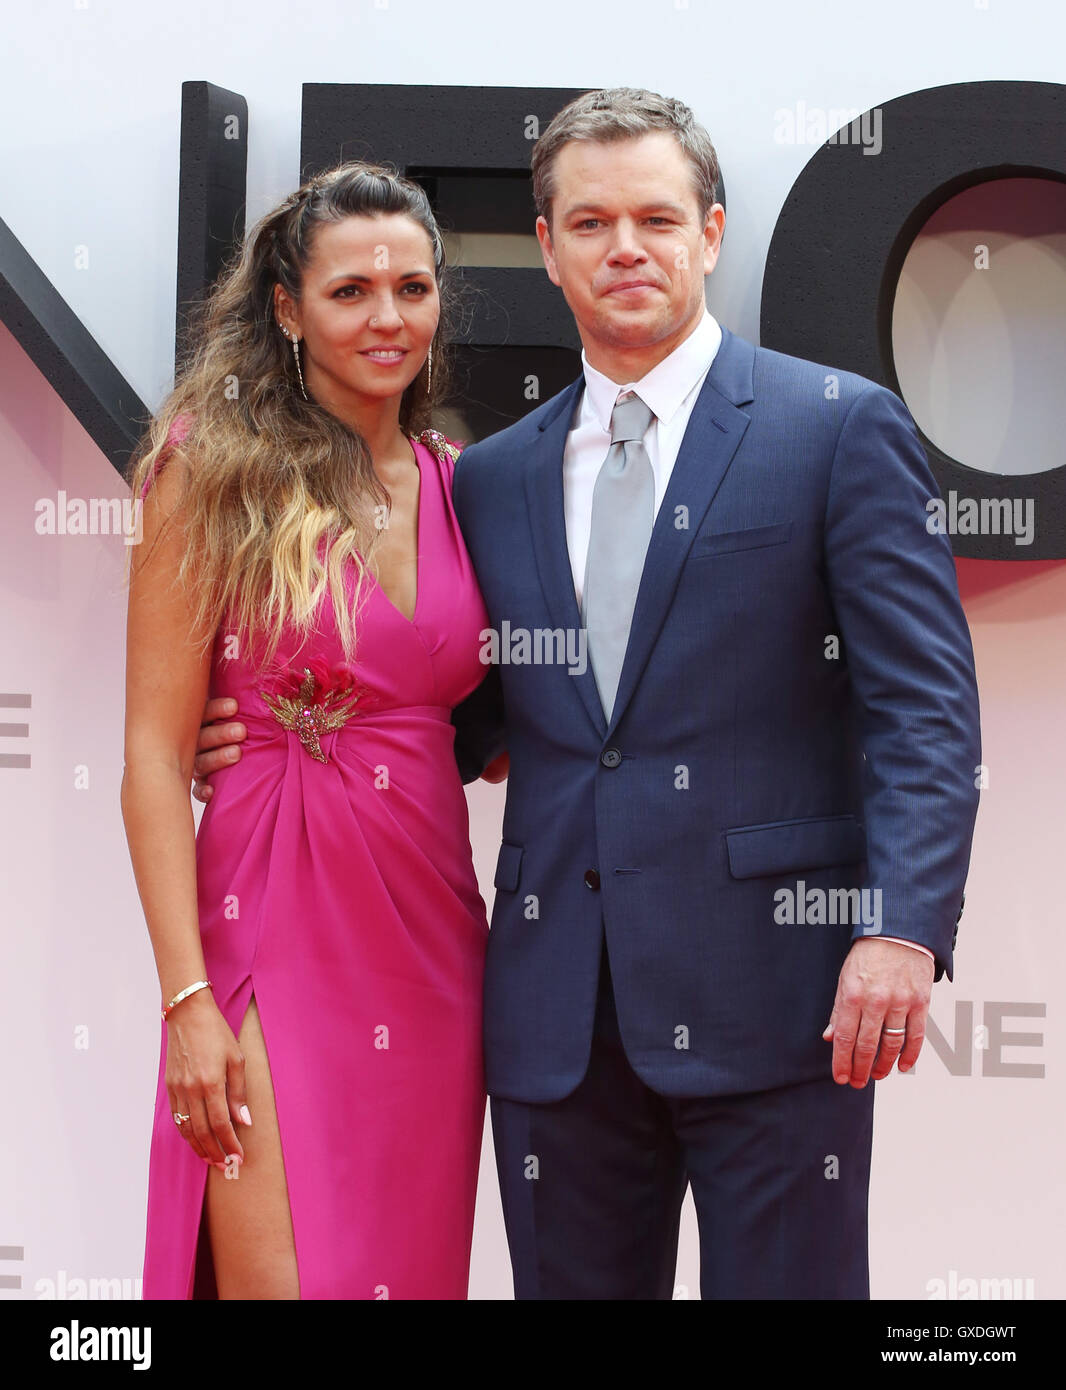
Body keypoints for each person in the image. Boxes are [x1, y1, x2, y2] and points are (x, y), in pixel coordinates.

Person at [194, 89, 981, 1300]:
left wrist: (901, 926)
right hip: (554, 1022)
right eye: (591, 221)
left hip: (777, 1005)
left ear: (710, 234)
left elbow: (923, 709)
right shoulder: (492, 476)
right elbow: (465, 706)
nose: (627, 247)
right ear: (548, 248)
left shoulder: (835, 430)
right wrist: (274, 733)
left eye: (658, 218)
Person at [122, 161, 503, 1300]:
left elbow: (488, 716)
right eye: (350, 291)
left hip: (434, 938)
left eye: (413, 287)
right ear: (287, 309)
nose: (388, 317)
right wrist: (187, 1001)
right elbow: (149, 754)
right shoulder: (208, 470)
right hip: (271, 920)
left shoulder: (457, 482)